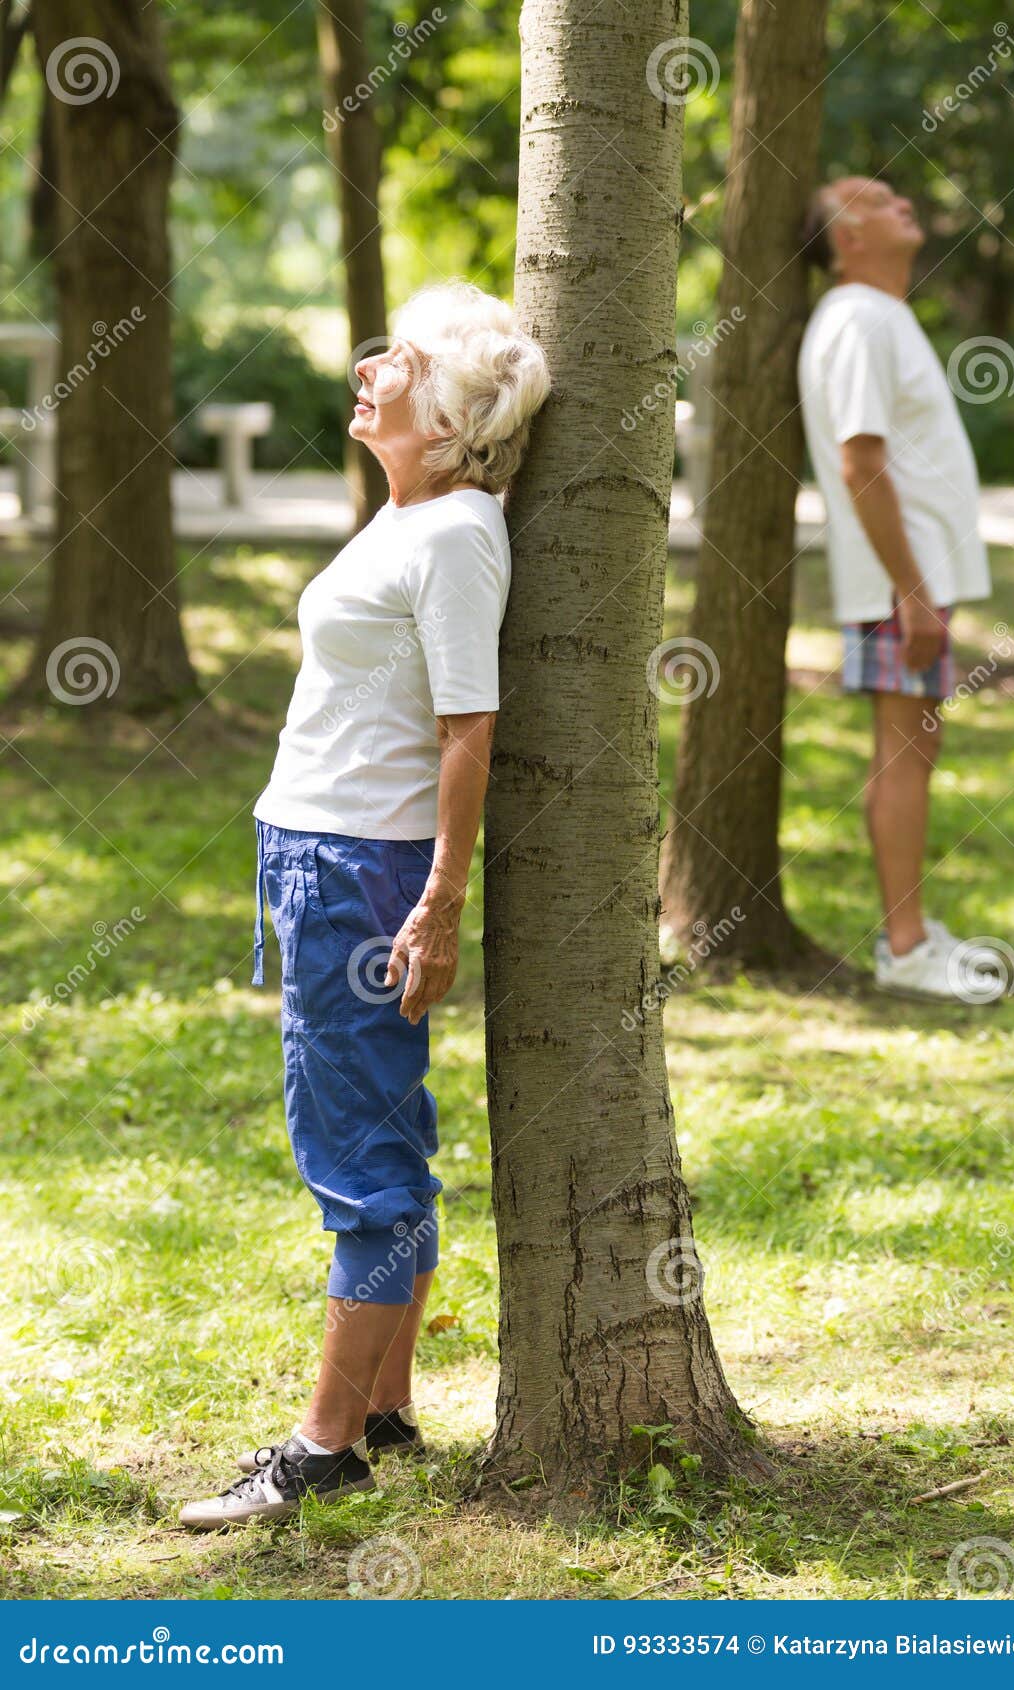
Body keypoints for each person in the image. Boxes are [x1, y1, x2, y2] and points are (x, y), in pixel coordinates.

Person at [179, 282, 550, 1527]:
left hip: (359, 876)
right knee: (381, 1140)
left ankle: (321, 1447)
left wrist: (439, 900)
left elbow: (468, 726)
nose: (370, 366)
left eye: (398, 356)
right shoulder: (414, 515)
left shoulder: (451, 534)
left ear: (446, 410)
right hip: (325, 862)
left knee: (361, 1165)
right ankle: (382, 1407)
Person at [798, 176, 1004, 1001]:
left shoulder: (879, 316)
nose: (897, 201)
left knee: (914, 746)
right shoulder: (854, 319)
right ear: (844, 238)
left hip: (907, 580)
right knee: (905, 752)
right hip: (897, 583)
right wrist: (911, 591)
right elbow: (859, 460)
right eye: (872, 198)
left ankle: (908, 937)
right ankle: (907, 948)